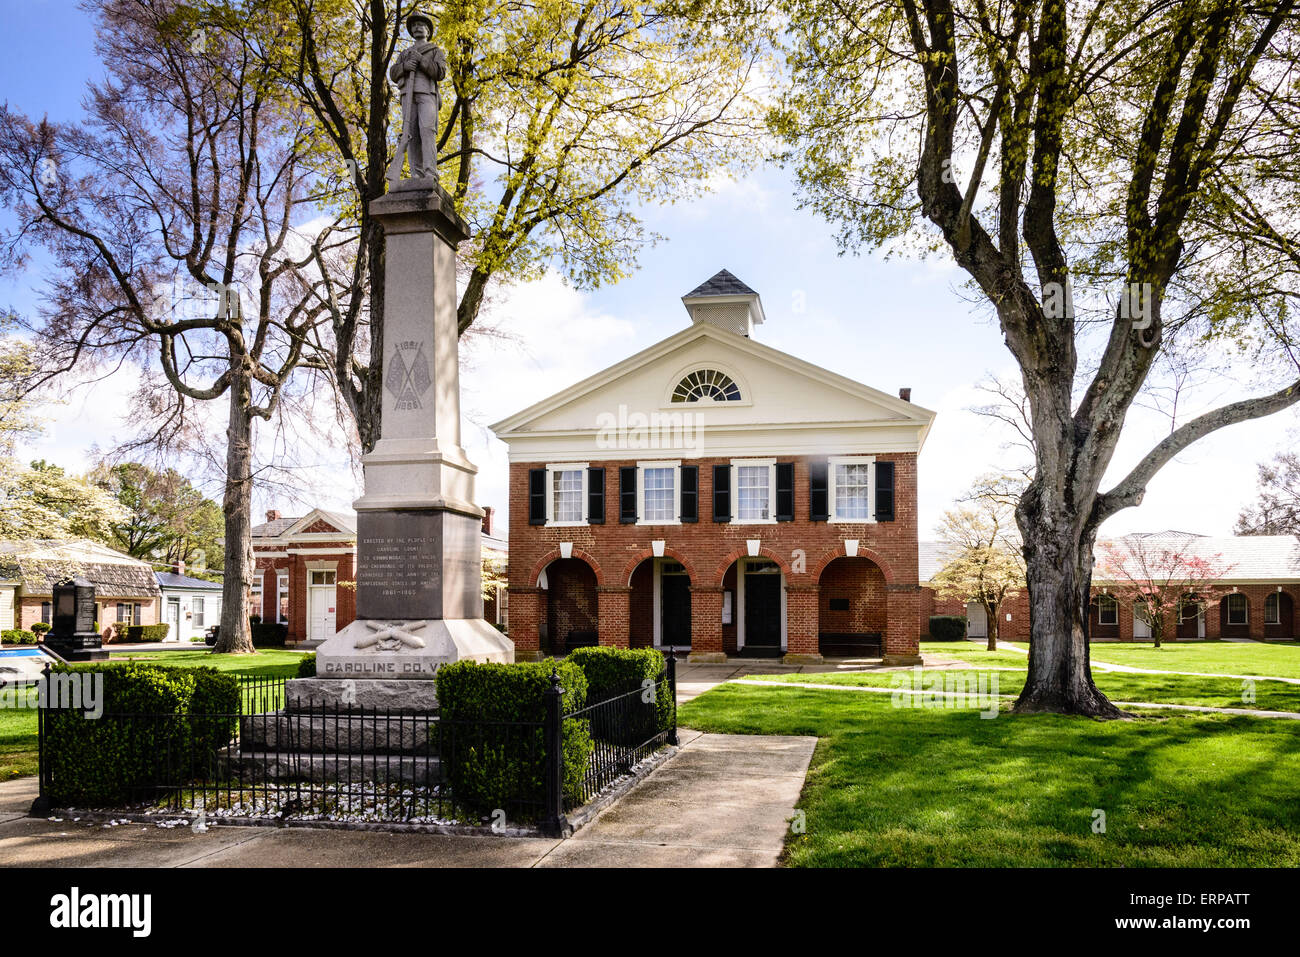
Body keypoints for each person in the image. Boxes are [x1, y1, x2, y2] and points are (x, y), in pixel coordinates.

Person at [389, 12, 447, 181]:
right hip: (408, 95)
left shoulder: (435, 50)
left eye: (420, 25)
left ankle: (430, 172)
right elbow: (393, 72)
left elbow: (440, 72)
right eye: (414, 26)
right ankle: (417, 174)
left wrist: (422, 60)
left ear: (428, 30)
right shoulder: (405, 53)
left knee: (427, 130)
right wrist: (405, 67)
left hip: (427, 93)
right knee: (410, 134)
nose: (416, 28)